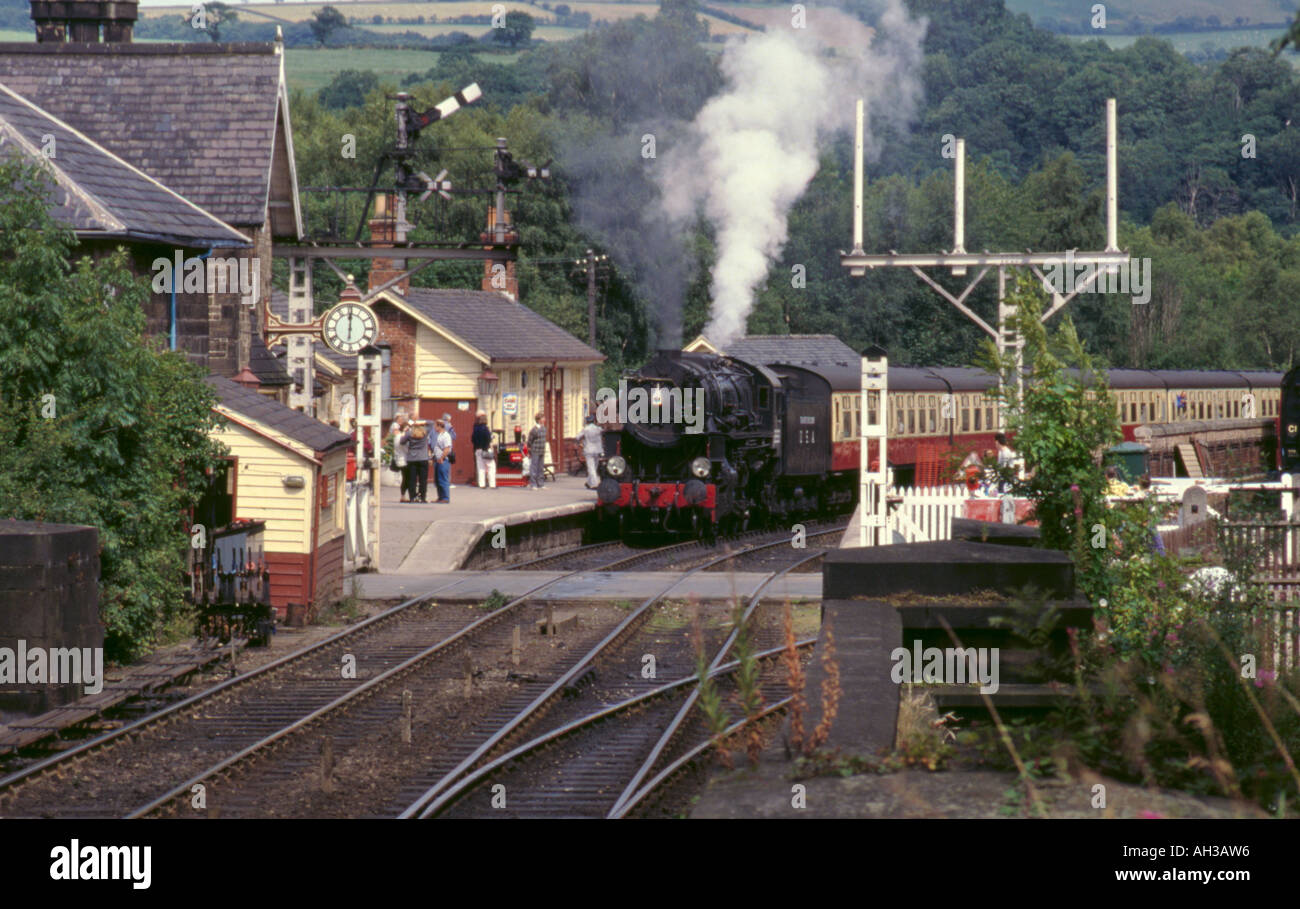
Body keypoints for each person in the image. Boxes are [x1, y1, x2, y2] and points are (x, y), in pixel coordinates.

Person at [401, 420, 433, 503]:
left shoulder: (409, 434)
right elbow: (432, 423)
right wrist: (423, 422)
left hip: (412, 459)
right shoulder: (425, 433)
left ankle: (412, 497)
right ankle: (422, 498)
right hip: (423, 458)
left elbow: (402, 442)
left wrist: (404, 433)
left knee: (412, 479)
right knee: (423, 480)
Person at [577, 414, 603, 489]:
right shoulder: (598, 429)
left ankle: (594, 484)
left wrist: (581, 442)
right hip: (597, 450)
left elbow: (577, 437)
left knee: (591, 468)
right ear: (593, 421)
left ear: (587, 422)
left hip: (588, 450)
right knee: (595, 467)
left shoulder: (585, 429)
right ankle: (589, 482)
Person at [472, 411, 496, 488]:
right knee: (491, 467)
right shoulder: (485, 429)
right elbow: (488, 439)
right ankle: (492, 484)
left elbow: (472, 439)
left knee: (480, 467)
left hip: (478, 449)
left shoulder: (475, 428)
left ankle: (482, 484)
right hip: (486, 449)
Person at [390, 414, 410, 502]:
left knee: (405, 477)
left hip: (399, 459)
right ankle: (404, 496)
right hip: (404, 459)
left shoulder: (396, 437)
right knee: (406, 478)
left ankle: (403, 495)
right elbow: (406, 449)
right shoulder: (402, 438)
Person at [432, 418, 453, 504]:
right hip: (437, 459)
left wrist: (442, 457)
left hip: (443, 460)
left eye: (435, 426)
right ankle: (440, 496)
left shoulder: (446, 435)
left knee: (443, 479)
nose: (434, 428)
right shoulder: (439, 435)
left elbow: (447, 448)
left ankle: (445, 497)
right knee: (437, 479)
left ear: (440, 426)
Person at [527, 412, 547, 489]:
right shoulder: (534, 430)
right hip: (535, 450)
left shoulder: (544, 428)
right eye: (543, 418)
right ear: (539, 420)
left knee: (541, 467)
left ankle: (541, 483)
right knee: (534, 467)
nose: (544, 419)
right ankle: (533, 484)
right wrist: (529, 448)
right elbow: (530, 440)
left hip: (542, 450)